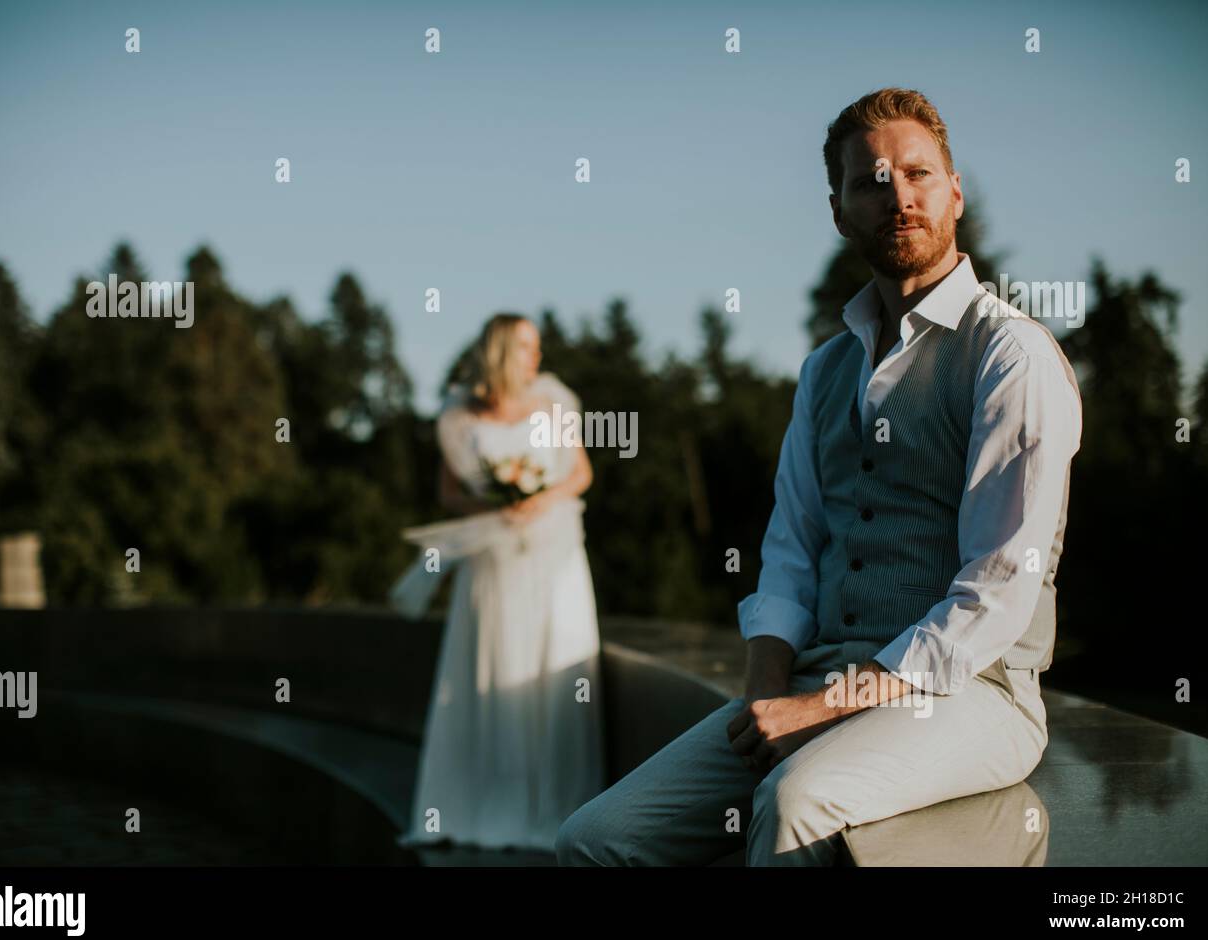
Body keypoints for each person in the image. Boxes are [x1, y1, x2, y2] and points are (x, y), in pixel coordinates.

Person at [556, 88, 1083, 866]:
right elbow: (793, 547)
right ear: (839, 211)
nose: (897, 197)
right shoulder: (825, 368)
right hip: (820, 675)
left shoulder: (1011, 356)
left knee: (800, 799)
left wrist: (825, 706)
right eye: (870, 182)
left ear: (955, 192)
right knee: (596, 840)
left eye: (917, 174)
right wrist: (769, 693)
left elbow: (997, 594)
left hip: (976, 694)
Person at [396, 312, 605, 853]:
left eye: (536, 346)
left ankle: (559, 808)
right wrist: (497, 503)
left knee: (554, 671)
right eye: (525, 347)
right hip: (494, 559)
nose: (535, 357)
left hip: (556, 553)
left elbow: (580, 473)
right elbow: (448, 495)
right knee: (492, 668)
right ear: (498, 352)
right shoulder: (459, 412)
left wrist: (539, 499)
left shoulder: (554, 400)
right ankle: (480, 802)